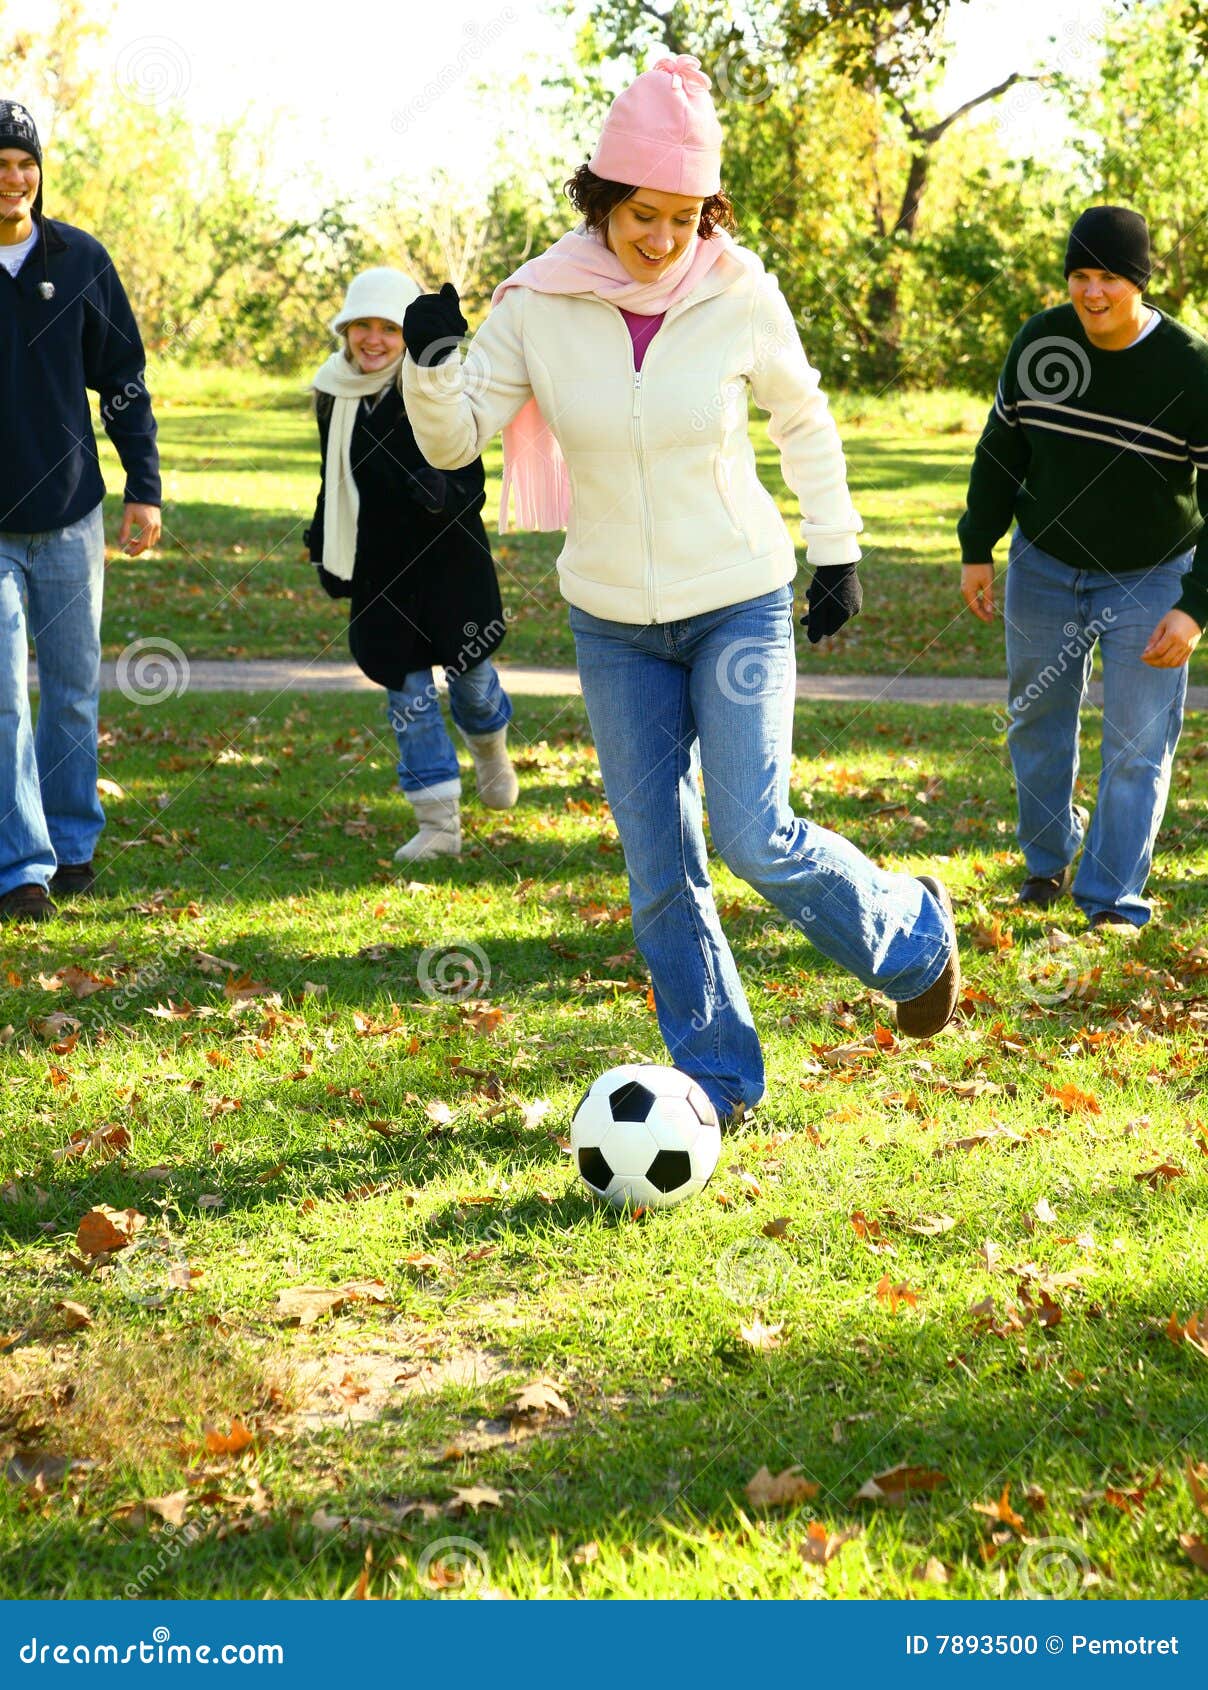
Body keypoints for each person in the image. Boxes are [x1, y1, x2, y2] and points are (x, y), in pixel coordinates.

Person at [399, 57, 959, 1124]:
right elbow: (457, 436)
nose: (662, 240)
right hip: (611, 620)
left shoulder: (736, 287)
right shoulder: (539, 302)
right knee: (659, 863)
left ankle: (911, 932)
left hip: (735, 599)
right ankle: (716, 1081)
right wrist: (431, 363)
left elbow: (801, 417)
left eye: (686, 217)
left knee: (754, 834)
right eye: (642, 216)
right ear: (601, 200)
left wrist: (834, 547)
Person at [959, 206, 1206, 935]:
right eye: (1079, 276)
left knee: (1137, 739)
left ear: (1140, 282)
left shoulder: (1190, 371)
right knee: (1035, 719)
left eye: (1108, 278)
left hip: (1152, 572)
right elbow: (1002, 450)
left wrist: (1195, 607)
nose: (1091, 293)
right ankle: (1047, 860)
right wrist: (979, 544)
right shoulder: (1043, 340)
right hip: (1044, 561)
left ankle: (1110, 900)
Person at [0, 100, 161, 923]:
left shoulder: (81, 260)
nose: (12, 179)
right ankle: (20, 866)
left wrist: (145, 483)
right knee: (1, 694)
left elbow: (123, 377)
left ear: (40, 171)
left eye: (22, 163)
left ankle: (70, 846)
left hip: (70, 516)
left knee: (69, 691)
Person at [305, 267, 518, 863]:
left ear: (407, 336)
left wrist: (443, 492)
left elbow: (470, 468)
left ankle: (491, 747)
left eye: (389, 329)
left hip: (450, 564)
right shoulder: (333, 393)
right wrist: (324, 541)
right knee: (408, 696)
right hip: (381, 571)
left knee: (471, 685)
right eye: (361, 328)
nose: (373, 341)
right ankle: (438, 826)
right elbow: (334, 478)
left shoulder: (435, 382)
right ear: (345, 331)